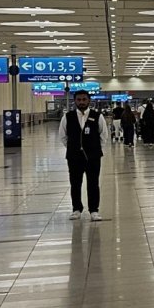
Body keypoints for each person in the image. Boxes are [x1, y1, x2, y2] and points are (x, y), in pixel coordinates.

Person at [62, 89, 104, 220]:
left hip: (93, 157)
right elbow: (63, 136)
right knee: (75, 183)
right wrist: (73, 148)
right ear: (75, 101)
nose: (81, 102)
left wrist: (95, 150)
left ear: (89, 101)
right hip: (74, 157)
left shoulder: (97, 116)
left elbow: (103, 135)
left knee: (93, 183)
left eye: (84, 99)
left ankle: (94, 210)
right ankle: (76, 209)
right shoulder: (68, 117)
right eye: (79, 100)